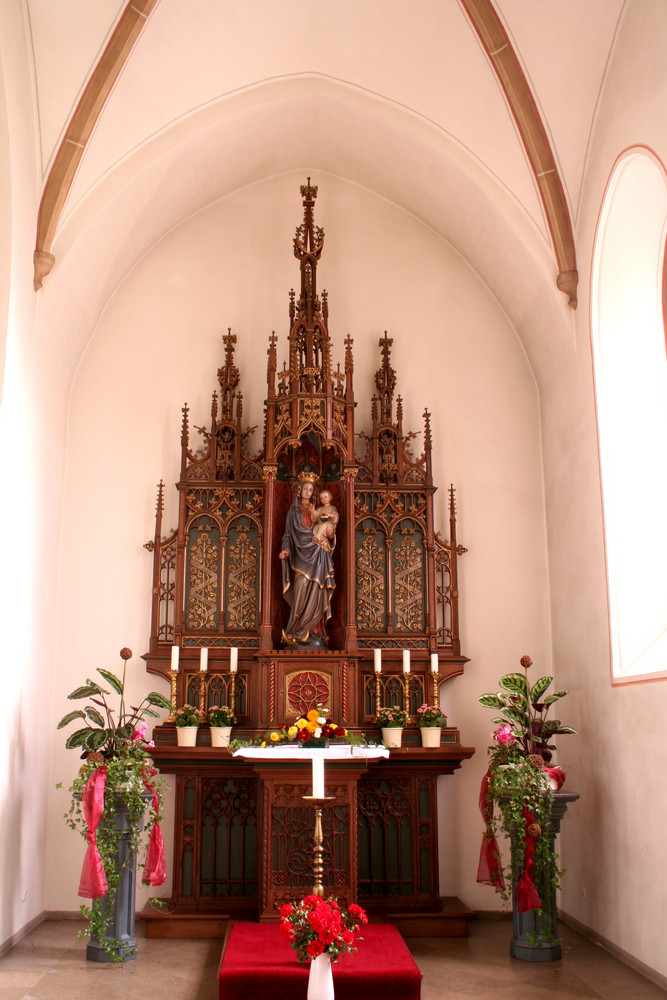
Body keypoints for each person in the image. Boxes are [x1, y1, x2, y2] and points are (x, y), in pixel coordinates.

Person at [278, 475, 335, 646]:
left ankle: (315, 630)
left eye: (311, 490)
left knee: (318, 590)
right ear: (299, 490)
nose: (308, 492)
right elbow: (288, 535)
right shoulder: (293, 512)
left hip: (318, 554)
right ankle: (296, 630)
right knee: (301, 587)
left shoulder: (319, 511)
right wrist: (286, 549)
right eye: (305, 489)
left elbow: (328, 532)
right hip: (300, 557)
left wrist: (330, 536)